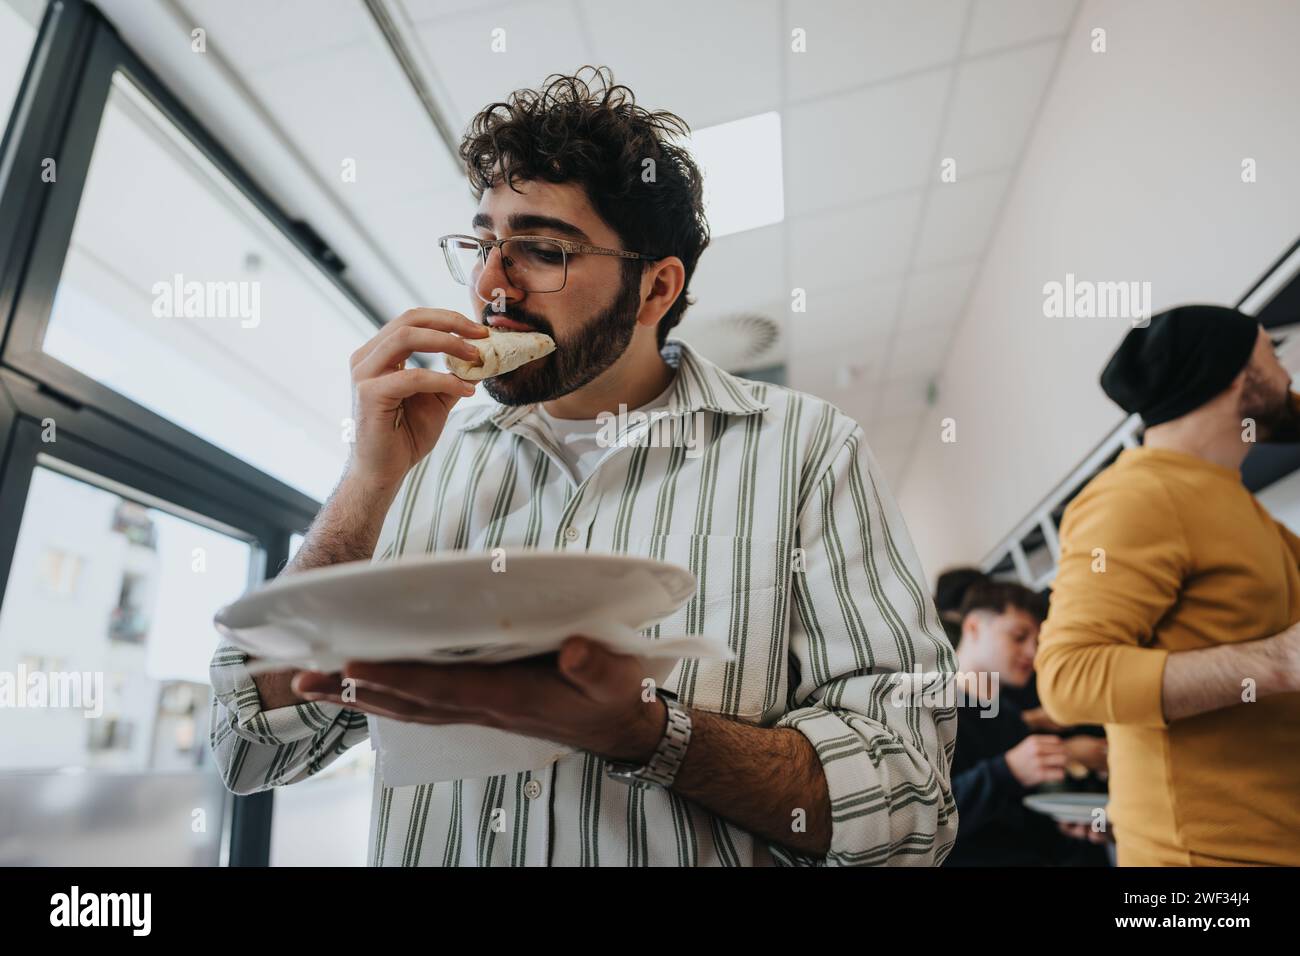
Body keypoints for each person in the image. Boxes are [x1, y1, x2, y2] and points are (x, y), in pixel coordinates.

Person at [207, 67, 957, 867]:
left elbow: (912, 802)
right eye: (484, 243)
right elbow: (250, 750)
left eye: (542, 249)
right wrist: (366, 483)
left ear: (654, 288)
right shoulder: (414, 468)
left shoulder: (808, 450)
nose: (490, 284)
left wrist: (642, 731)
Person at [1037, 304, 1300, 866]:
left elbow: (1282, 404)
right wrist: (1278, 662)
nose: (1287, 372)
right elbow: (1068, 677)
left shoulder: (1231, 501)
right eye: (1272, 354)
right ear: (1236, 374)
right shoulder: (1136, 497)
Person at [945, 582, 1109, 866]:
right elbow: (920, 816)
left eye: (1037, 642)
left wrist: (1066, 825)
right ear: (973, 628)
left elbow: (1024, 817)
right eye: (1019, 637)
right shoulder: (927, 712)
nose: (1033, 653)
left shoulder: (1007, 716)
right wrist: (1006, 771)